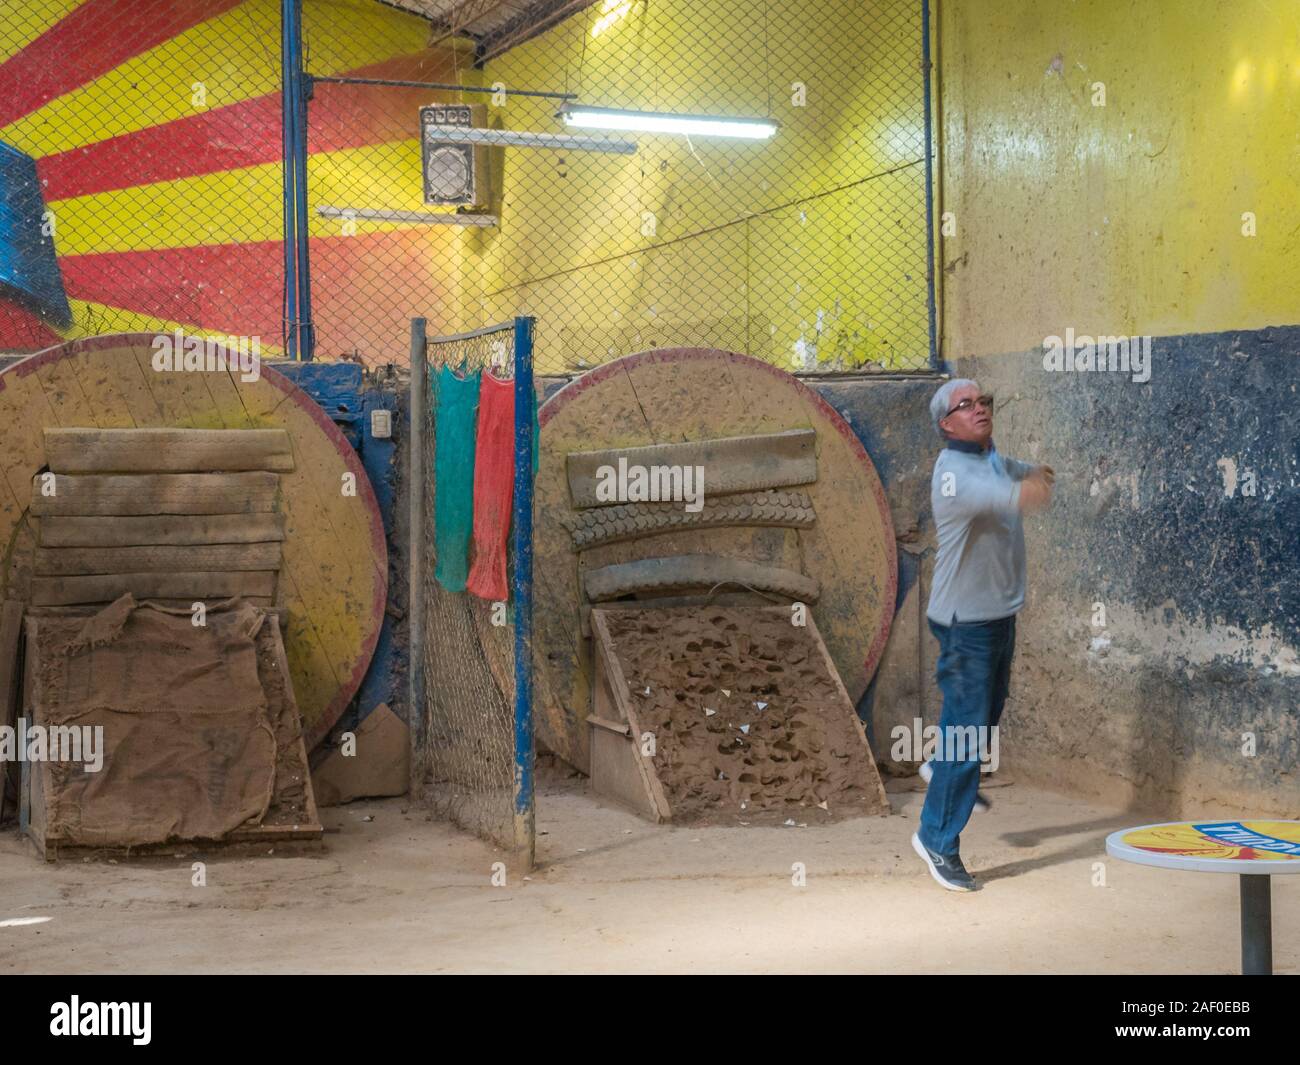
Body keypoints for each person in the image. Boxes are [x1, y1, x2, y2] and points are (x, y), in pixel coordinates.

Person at [912, 378, 1054, 891]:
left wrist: (1032, 471)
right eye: (965, 405)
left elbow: (1016, 471)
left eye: (984, 401)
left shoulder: (986, 457)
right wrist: (1036, 482)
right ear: (946, 424)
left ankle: (942, 766)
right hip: (963, 623)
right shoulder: (956, 475)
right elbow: (1023, 494)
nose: (979, 409)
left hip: (995, 615)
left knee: (984, 715)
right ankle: (936, 839)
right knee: (968, 734)